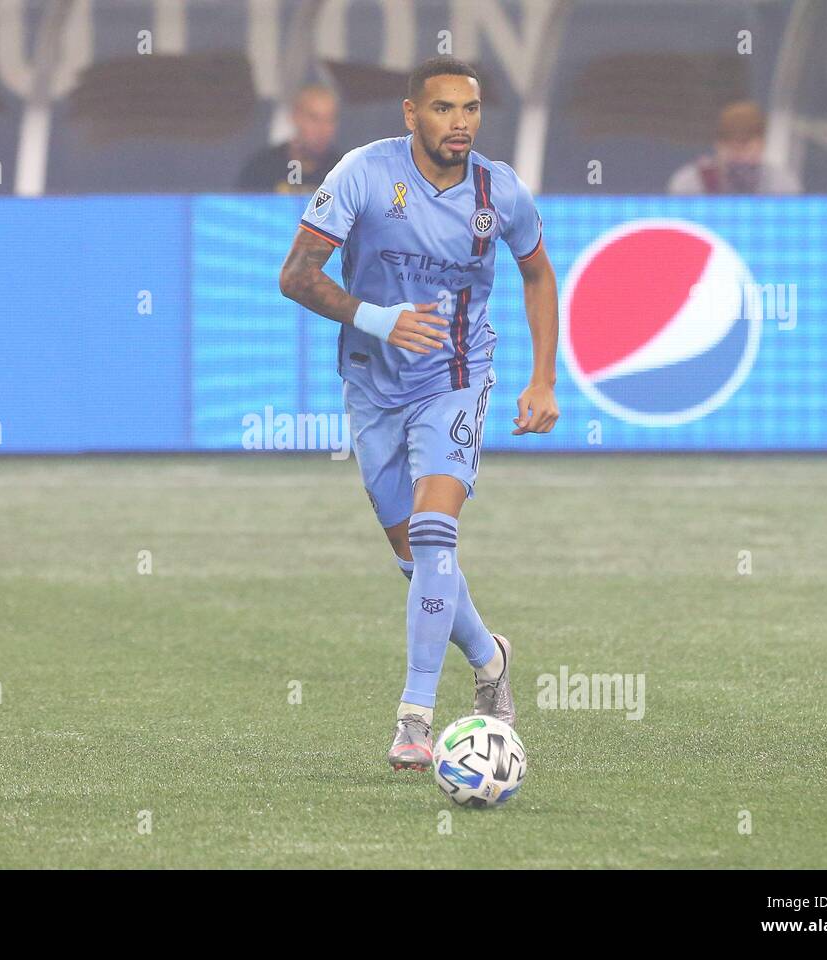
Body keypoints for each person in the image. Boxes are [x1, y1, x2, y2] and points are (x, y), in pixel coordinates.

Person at [277, 56, 560, 771]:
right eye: (442, 109)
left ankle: (414, 720)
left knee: (437, 533)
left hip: (456, 376)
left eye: (469, 109)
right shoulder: (362, 175)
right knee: (414, 558)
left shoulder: (500, 191)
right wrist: (378, 318)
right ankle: (489, 654)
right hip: (372, 382)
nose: (459, 123)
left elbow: (536, 271)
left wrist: (543, 380)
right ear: (411, 115)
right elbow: (296, 275)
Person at [667, 100, 801, 194]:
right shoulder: (690, 183)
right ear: (718, 146)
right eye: (732, 148)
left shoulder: (782, 185)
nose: (739, 157)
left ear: (761, 145)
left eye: (745, 148)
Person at [238, 84, 342, 194]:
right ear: (295, 117)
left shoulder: (345, 173)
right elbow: (240, 208)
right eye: (314, 118)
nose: (322, 129)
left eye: (330, 120)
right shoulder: (262, 169)